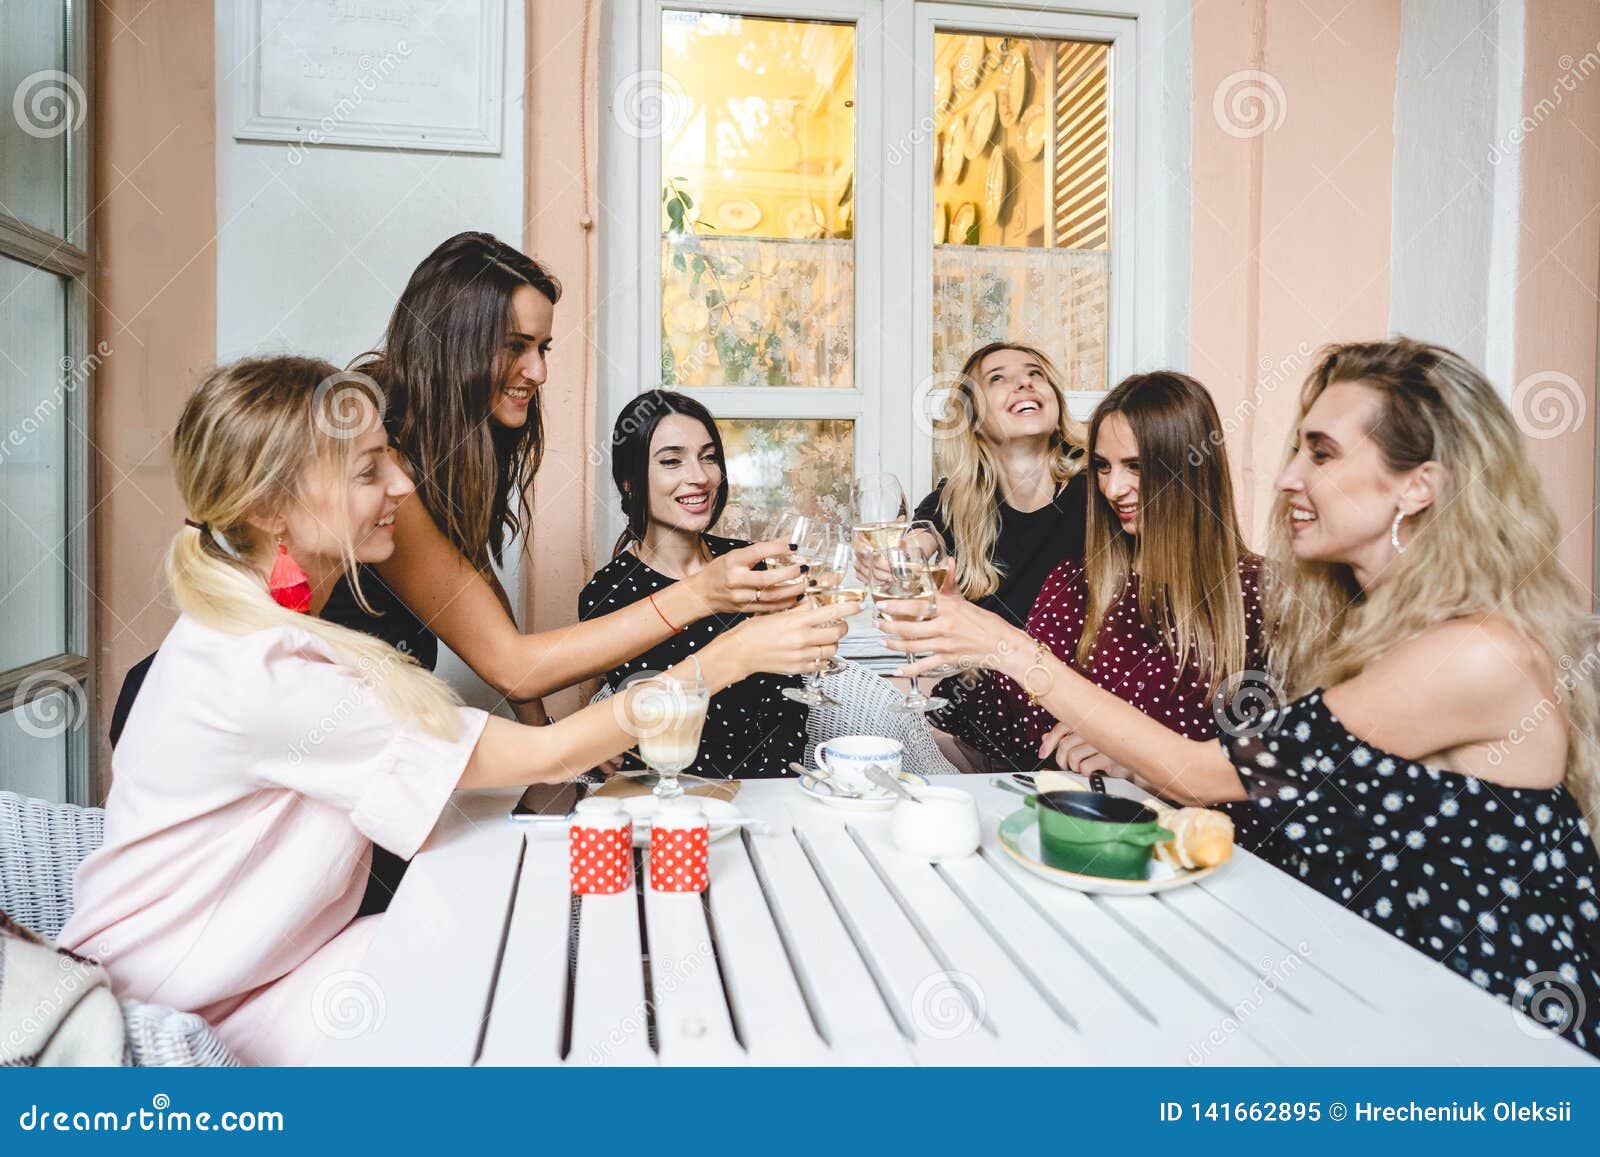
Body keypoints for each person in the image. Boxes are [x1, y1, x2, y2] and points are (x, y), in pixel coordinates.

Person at [58, 357, 854, 1066]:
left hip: (274, 964)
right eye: (370, 470)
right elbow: (542, 756)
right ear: (273, 508)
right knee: (537, 1001)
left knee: (535, 957)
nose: (402, 486)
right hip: (165, 1013)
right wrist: (729, 657)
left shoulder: (273, 630)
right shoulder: (263, 668)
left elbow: (482, 762)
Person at [879, 338, 1600, 1055]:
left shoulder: (1474, 653)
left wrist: (1004, 645)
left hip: (1479, 1038)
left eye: (1320, 453)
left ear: (1419, 485)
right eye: (1297, 450)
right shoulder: (1363, 629)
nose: (1287, 476)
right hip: (1360, 988)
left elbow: (1206, 773)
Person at [111, 233, 804, 913]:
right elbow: (510, 663)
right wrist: (702, 603)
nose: (537, 371)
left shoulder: (436, 448)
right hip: (285, 738)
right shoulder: (387, 462)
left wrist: (545, 754)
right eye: (516, 346)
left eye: (544, 347)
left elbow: (481, 610)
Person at [934, 373, 1271, 850]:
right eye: (1103, 467)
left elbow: (1272, 794)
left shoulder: (1260, 597)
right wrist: (950, 649)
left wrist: (1137, 768)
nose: (1114, 488)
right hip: (1072, 848)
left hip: (1199, 871)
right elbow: (1008, 730)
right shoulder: (1075, 585)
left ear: (1193, 467)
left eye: (1136, 466)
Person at [581, 391, 809, 779]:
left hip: (772, 788)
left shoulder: (751, 565)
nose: (700, 477)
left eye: (708, 457)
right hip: (673, 796)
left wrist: (771, 794)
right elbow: (635, 726)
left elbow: (787, 705)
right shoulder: (608, 594)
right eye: (672, 461)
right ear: (630, 482)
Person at [913, 342, 1088, 629]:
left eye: (1035, 374)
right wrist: (900, 555)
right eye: (997, 377)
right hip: (974, 673)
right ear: (973, 421)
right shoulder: (958, 500)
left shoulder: (1098, 490)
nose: (1024, 383)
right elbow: (920, 537)